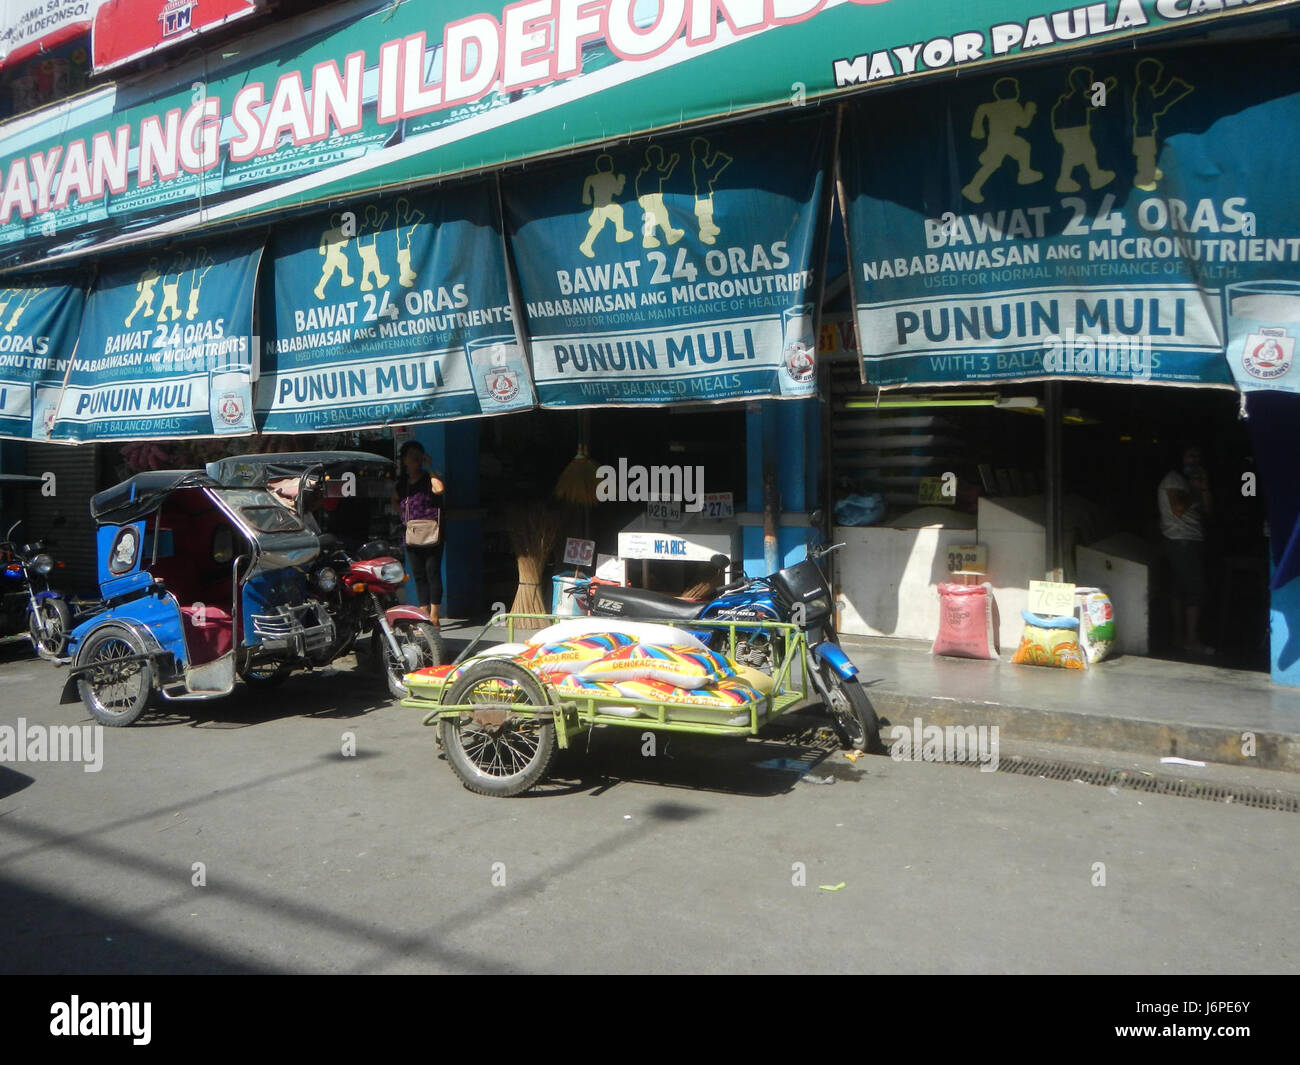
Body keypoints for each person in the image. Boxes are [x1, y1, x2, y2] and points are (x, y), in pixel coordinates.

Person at [1158, 444, 1214, 657]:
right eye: (1190, 455)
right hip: (1180, 540)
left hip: (1191, 540)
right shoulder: (1174, 479)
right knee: (1195, 590)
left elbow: (1208, 510)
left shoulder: (1188, 481)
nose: (1194, 460)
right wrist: (1193, 491)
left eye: (1198, 456)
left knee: (1180, 589)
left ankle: (1179, 638)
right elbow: (1178, 509)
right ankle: (1191, 640)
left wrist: (1203, 486)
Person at [393, 440, 446, 627]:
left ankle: (434, 616)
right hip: (412, 533)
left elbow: (439, 490)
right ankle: (423, 612)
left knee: (433, 572)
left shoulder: (429, 478)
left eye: (418, 455)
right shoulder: (402, 483)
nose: (415, 459)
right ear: (405, 460)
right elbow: (395, 500)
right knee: (418, 574)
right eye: (411, 455)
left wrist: (429, 468)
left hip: (432, 532)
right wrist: (405, 518)